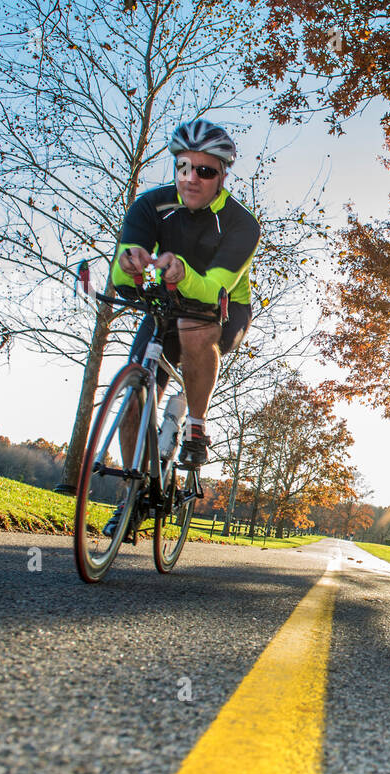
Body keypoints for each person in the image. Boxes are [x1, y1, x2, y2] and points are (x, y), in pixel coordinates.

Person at [105, 119, 261, 536]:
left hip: (223, 308)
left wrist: (179, 271)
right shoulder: (149, 206)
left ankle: (196, 423)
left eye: (205, 171)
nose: (192, 178)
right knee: (132, 399)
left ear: (223, 175)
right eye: (183, 167)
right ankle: (133, 497)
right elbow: (121, 280)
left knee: (195, 323)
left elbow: (212, 289)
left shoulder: (241, 225)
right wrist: (129, 268)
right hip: (167, 299)